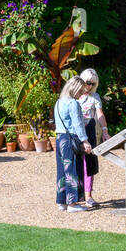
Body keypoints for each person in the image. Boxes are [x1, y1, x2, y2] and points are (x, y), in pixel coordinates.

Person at [54, 76, 93, 212]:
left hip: (59, 139)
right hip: (70, 140)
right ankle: (72, 204)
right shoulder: (73, 103)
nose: (82, 94)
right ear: (75, 89)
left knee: (62, 171)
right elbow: (77, 124)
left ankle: (62, 202)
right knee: (72, 171)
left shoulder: (58, 102)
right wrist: (85, 141)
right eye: (81, 91)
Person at [76, 68, 109, 209]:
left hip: (89, 130)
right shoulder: (74, 95)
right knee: (76, 163)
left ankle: (88, 196)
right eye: (87, 82)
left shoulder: (95, 97)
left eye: (92, 83)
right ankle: (76, 195)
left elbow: (100, 114)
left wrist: (105, 131)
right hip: (76, 132)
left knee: (89, 163)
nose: (89, 86)